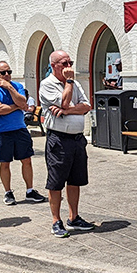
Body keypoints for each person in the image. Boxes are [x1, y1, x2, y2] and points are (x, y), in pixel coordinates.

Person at [39, 51, 95, 238]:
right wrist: (68, 84)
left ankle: (74, 217)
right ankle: (56, 220)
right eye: (65, 63)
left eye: (70, 62)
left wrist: (68, 110)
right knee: (56, 182)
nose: (69, 66)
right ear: (54, 65)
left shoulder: (76, 83)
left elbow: (87, 106)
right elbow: (63, 101)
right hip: (59, 139)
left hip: (77, 139)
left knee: (76, 180)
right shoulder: (47, 85)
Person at [0, 61, 46, 205]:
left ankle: (30, 190)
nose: (7, 75)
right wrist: (16, 106)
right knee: (5, 163)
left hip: (20, 129)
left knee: (27, 160)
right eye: (3, 73)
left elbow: (23, 103)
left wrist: (10, 88)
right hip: (1, 132)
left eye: (9, 72)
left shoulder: (17, 86)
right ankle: (8, 192)